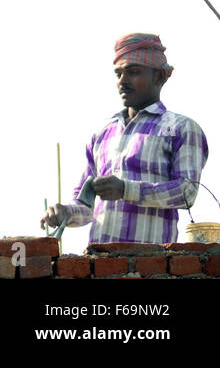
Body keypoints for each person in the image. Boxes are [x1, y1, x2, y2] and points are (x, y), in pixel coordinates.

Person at [40, 34, 208, 244]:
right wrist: (65, 213)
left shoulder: (181, 128)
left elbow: (186, 193)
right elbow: (85, 205)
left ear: (158, 77)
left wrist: (126, 190)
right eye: (118, 74)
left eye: (133, 72)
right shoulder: (102, 133)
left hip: (152, 267)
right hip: (100, 266)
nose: (123, 81)